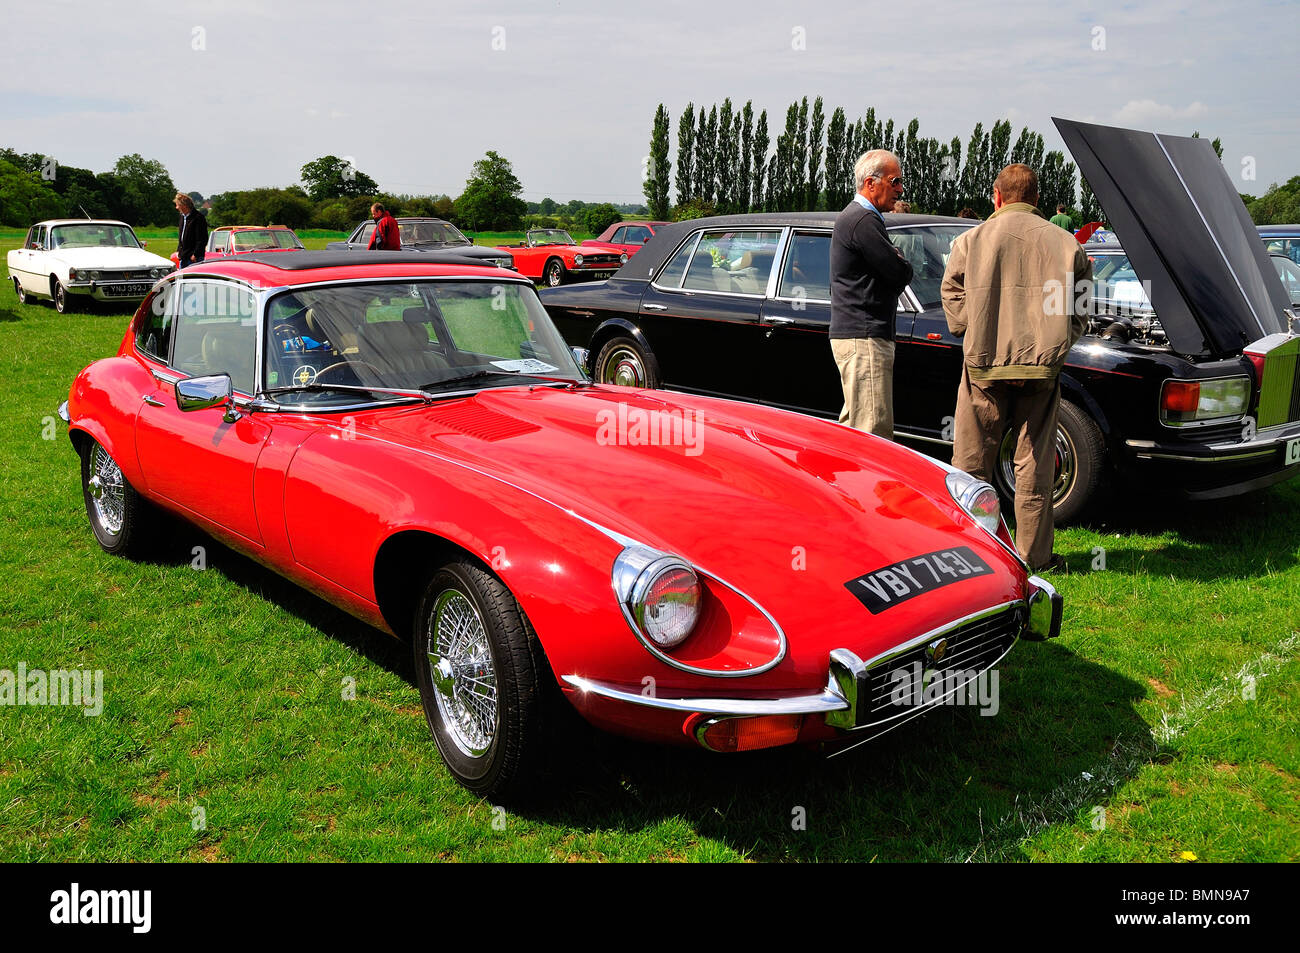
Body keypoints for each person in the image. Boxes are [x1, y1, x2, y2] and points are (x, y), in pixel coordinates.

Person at [940, 164, 1091, 572]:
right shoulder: (1066, 244)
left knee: (971, 463)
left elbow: (951, 292)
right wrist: (1057, 342)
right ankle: (1034, 557)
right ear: (1037, 199)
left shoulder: (970, 240)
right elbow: (1080, 308)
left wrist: (974, 327)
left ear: (997, 196)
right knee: (1035, 465)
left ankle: (969, 553)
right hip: (1042, 369)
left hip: (983, 365)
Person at [829, 150, 913, 438]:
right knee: (873, 431)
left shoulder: (860, 218)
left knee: (855, 428)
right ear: (871, 183)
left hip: (859, 334)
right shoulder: (863, 220)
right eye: (895, 181)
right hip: (864, 337)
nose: (900, 189)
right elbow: (898, 272)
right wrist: (900, 259)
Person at [174, 193, 208, 268]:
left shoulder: (198, 218)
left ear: (184, 205)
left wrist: (196, 254)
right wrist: (179, 251)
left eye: (177, 205)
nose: (176, 208)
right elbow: (182, 237)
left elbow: (202, 239)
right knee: (182, 278)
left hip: (194, 258)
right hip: (183, 256)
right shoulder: (182, 217)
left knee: (195, 279)